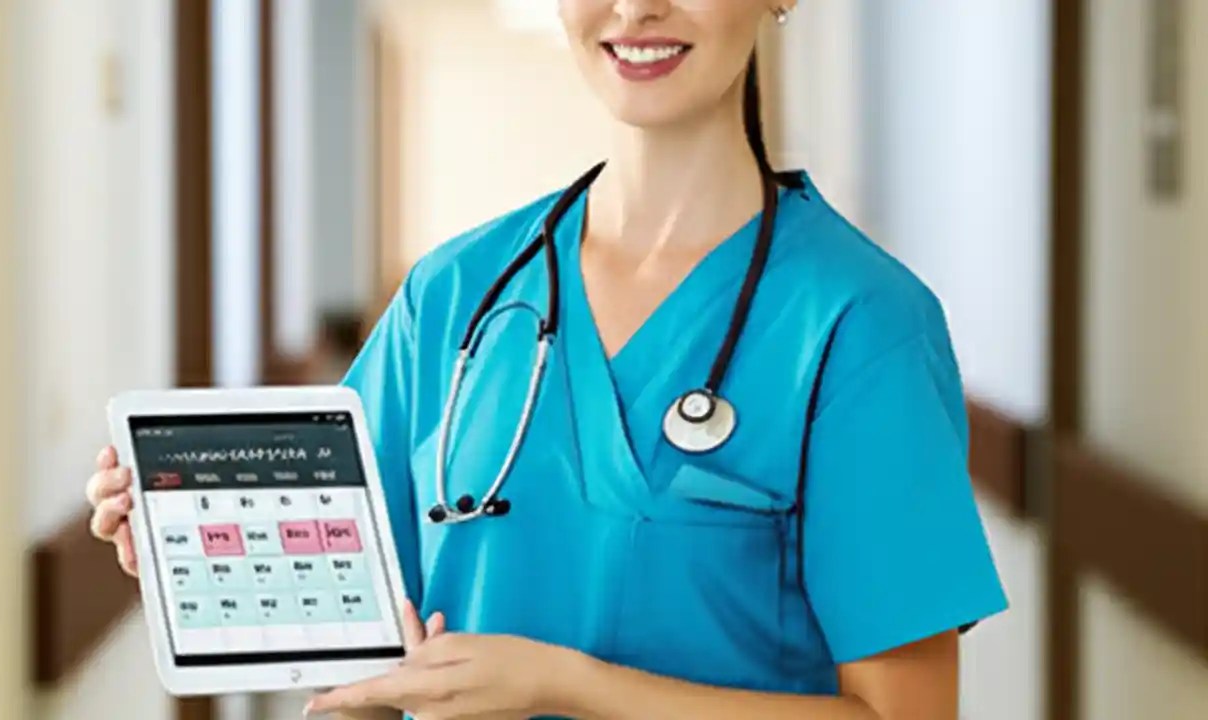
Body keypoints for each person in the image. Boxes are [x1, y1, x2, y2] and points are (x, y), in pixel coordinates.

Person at [87, 1, 1007, 717]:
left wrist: (566, 687)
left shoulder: (860, 324)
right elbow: (353, 619)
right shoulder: (454, 295)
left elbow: (903, 716)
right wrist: (197, 553)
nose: (636, 9)